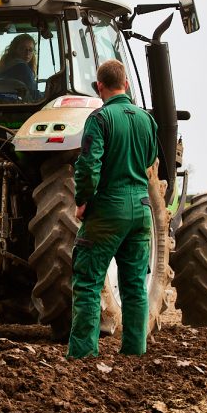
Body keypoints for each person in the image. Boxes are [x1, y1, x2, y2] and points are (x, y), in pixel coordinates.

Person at [67, 59, 158, 358]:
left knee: (88, 281)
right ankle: (134, 350)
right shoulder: (147, 120)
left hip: (108, 209)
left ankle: (82, 355)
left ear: (99, 87)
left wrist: (83, 201)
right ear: (127, 84)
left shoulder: (100, 119)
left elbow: (89, 166)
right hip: (142, 210)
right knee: (134, 285)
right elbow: (149, 160)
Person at [0, 34, 40, 100]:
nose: (27, 53)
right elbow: (33, 95)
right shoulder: (22, 68)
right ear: (15, 50)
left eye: (30, 50)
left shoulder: (2, 67)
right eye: (22, 48)